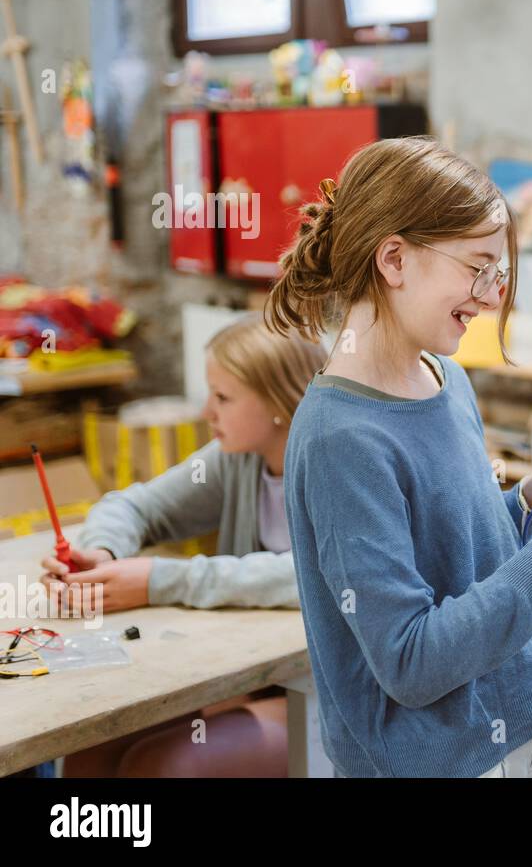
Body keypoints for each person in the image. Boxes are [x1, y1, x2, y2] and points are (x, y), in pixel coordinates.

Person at [265, 137, 532, 777]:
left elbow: (457, 560)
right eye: (477, 267)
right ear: (395, 259)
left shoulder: (442, 376)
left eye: (499, 273)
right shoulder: (339, 438)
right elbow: (411, 663)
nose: (492, 297)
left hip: (528, 728)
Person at [41, 316, 326, 776]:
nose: (205, 412)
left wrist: (160, 580)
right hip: (241, 679)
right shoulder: (237, 459)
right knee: (91, 748)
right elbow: (136, 506)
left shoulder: (336, 465)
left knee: (161, 765)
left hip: (321, 698)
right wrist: (103, 554)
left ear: (279, 400)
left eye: (223, 397)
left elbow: (313, 576)